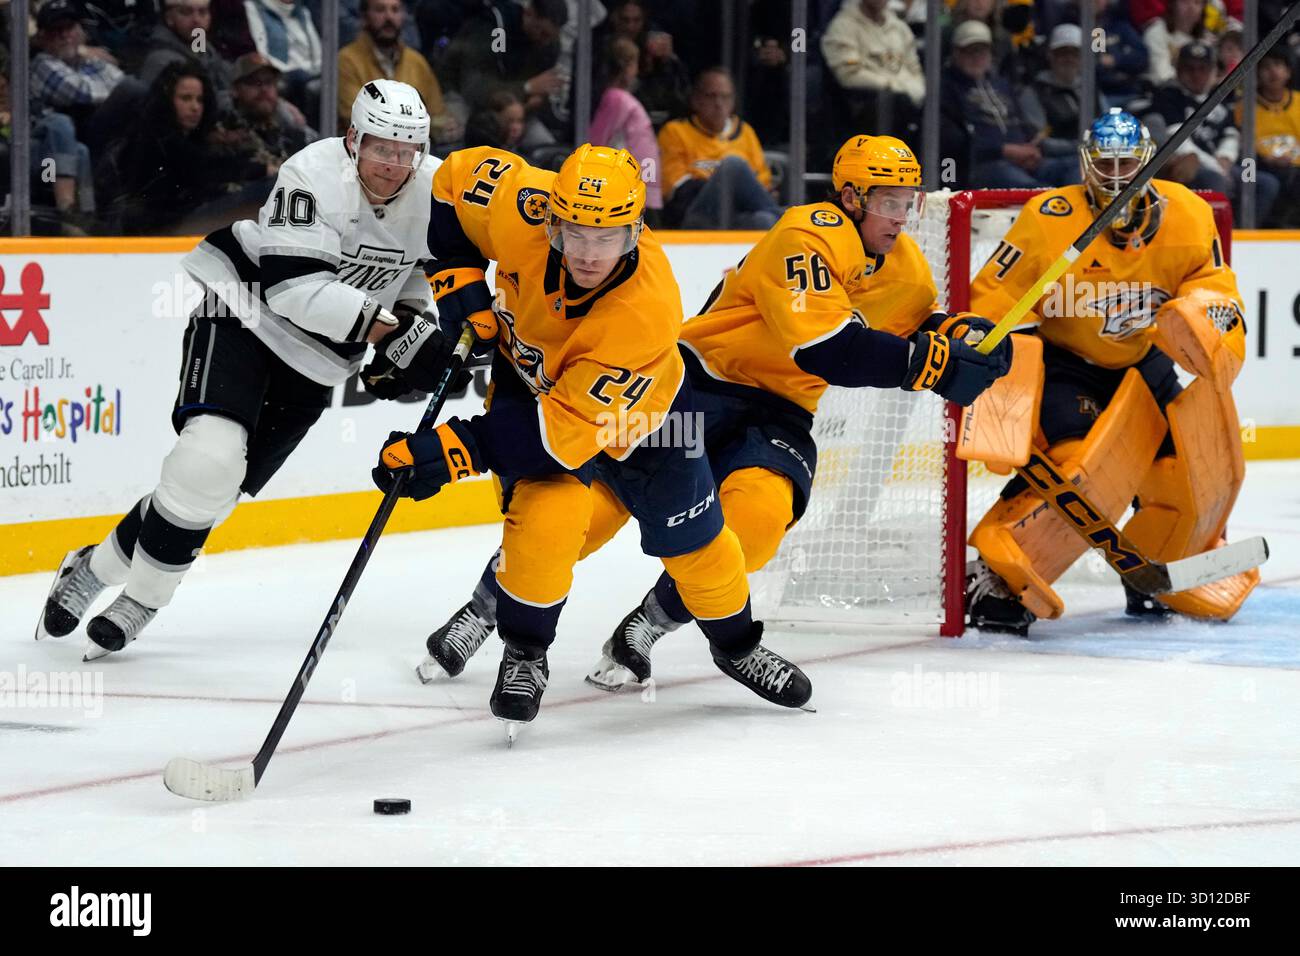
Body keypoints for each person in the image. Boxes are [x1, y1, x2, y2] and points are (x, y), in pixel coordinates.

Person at [367, 143, 815, 733]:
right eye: (574, 232)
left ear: (634, 231)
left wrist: (448, 452)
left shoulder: (644, 311)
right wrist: (462, 293)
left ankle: (735, 646)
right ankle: (525, 653)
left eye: (605, 238)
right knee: (547, 524)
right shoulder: (519, 202)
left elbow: (554, 439)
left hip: (647, 421)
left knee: (700, 545)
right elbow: (450, 186)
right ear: (550, 217)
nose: (587, 253)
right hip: (533, 391)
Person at [568, 135, 1011, 687]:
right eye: (888, 202)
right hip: (694, 383)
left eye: (909, 201)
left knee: (753, 529)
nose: (902, 217)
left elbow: (914, 325)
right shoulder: (809, 231)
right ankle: (485, 612)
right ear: (851, 196)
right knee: (585, 517)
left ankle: (645, 629)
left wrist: (961, 337)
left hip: (779, 412)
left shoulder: (905, 267)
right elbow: (828, 349)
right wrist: (934, 366)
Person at [38, 80, 439, 659]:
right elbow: (294, 290)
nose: (395, 163)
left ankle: (95, 566)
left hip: (320, 359)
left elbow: (420, 271)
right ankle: (144, 597)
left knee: (210, 489)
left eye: (409, 150)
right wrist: (390, 331)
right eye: (382, 147)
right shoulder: (313, 174)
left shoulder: (433, 188)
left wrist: (411, 332)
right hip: (245, 313)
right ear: (353, 138)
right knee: (207, 459)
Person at [964, 109, 1257, 635]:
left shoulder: (1189, 213)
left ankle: (1152, 571)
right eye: (1106, 163)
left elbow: (1215, 288)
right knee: (1080, 473)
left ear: (1147, 162)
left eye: (1127, 162)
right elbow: (994, 294)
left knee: (1180, 476)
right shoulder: (1050, 217)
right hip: (1070, 367)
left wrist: (1198, 320)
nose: (1117, 175)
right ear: (1085, 166)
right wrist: (999, 366)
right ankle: (998, 579)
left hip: (1146, 365)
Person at [657, 66, 781, 229]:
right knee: (733, 166)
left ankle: (782, 223)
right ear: (696, 100)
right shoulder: (675, 131)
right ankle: (788, 223)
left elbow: (762, 187)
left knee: (764, 220)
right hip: (696, 216)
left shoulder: (746, 132)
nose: (719, 104)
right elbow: (676, 190)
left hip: (736, 215)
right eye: (711, 96)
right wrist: (724, 183)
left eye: (725, 97)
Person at [337, 0, 462, 144]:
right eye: (380, 10)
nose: (389, 17)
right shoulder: (347, 60)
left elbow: (437, 113)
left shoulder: (416, 61)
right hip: (364, 149)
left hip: (416, 149)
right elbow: (356, 117)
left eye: (395, 10)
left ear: (403, 16)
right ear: (365, 17)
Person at [589, 37, 662, 210]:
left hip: (641, 186)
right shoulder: (616, 98)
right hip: (627, 190)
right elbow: (596, 141)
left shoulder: (621, 98)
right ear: (627, 66)